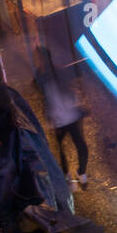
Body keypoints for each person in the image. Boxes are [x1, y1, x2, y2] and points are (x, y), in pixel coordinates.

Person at [34, 48, 89, 188]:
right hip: (65, 116)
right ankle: (77, 175)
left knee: (65, 147)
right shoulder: (48, 74)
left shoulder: (47, 74)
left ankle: (75, 176)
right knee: (73, 146)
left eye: (39, 58)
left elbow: (43, 90)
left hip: (64, 117)